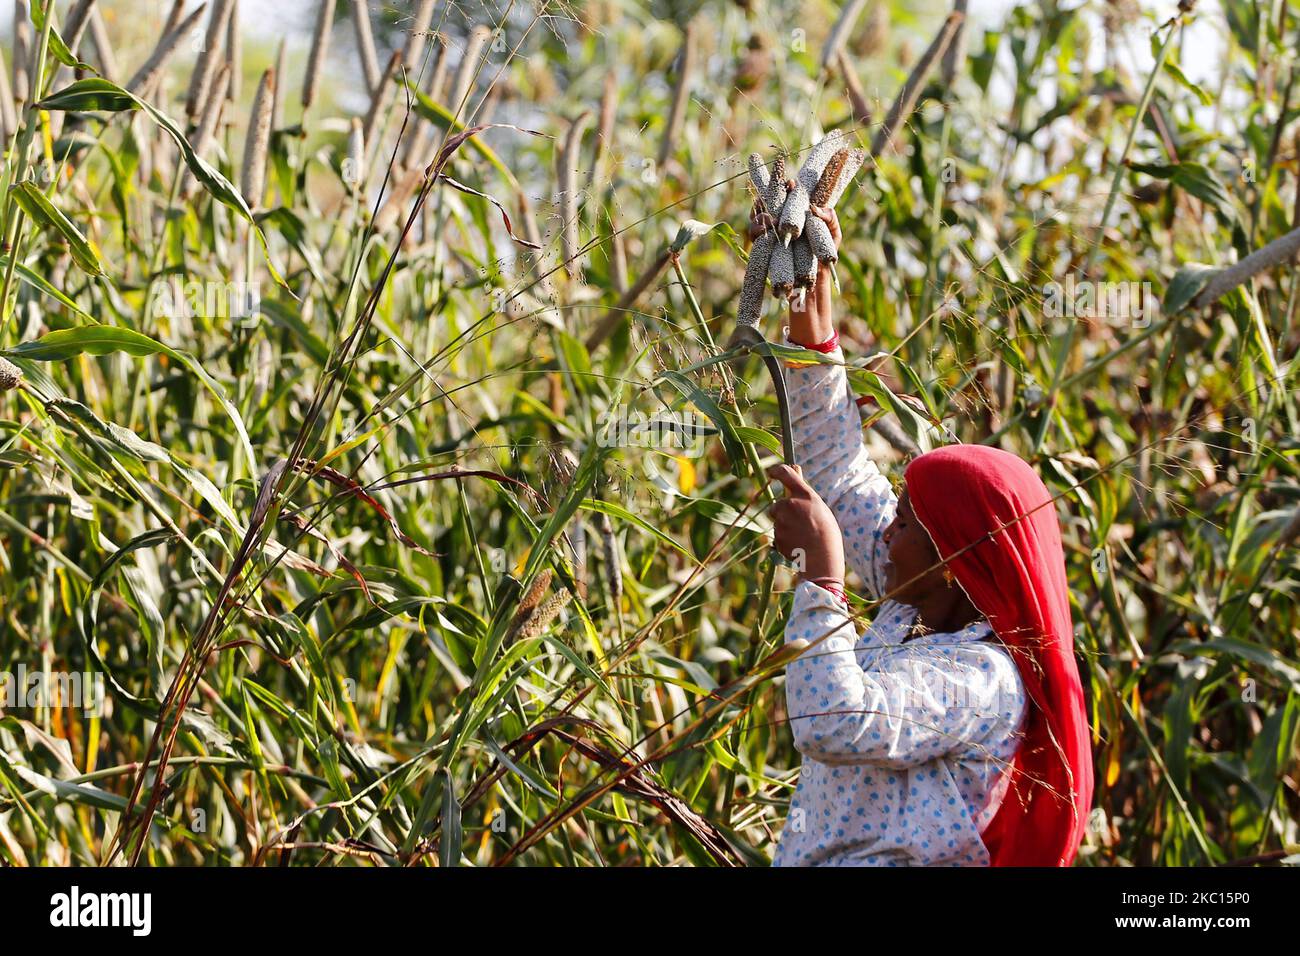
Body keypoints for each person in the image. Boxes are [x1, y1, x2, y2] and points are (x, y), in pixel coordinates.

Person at [755, 195, 1093, 866]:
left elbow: (836, 722)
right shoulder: (920, 601)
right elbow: (840, 470)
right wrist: (807, 307)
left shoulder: (982, 679)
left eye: (905, 520)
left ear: (953, 560)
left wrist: (822, 577)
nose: (884, 532)